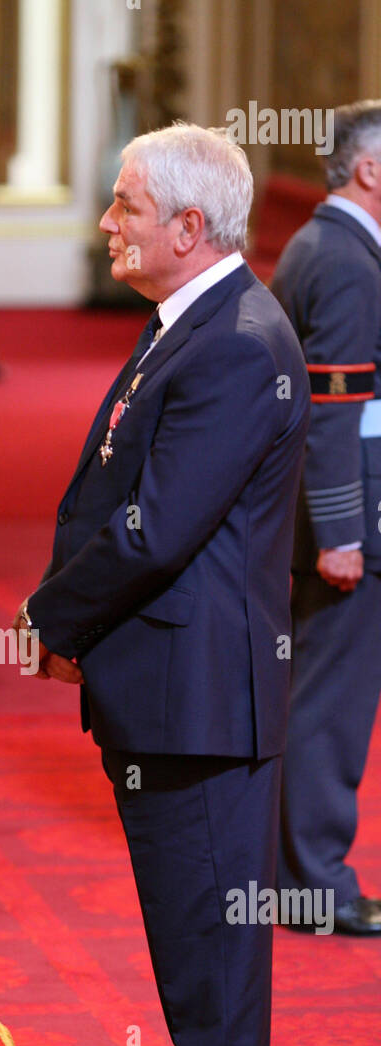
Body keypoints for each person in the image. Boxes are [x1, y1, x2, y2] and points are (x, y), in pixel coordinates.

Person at [14, 124, 310, 1046]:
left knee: (214, 966)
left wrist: (52, 613)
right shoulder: (198, 324)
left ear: (190, 228)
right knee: (195, 953)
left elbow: (154, 526)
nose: (108, 223)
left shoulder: (236, 339)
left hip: (204, 701)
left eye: (126, 206)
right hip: (179, 692)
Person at [271, 100, 381, 938]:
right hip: (349, 514)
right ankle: (315, 884)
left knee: (320, 691)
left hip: (338, 503)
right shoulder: (347, 261)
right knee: (330, 704)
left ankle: (294, 872)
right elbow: (337, 407)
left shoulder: (331, 246)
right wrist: (342, 532)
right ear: (369, 170)